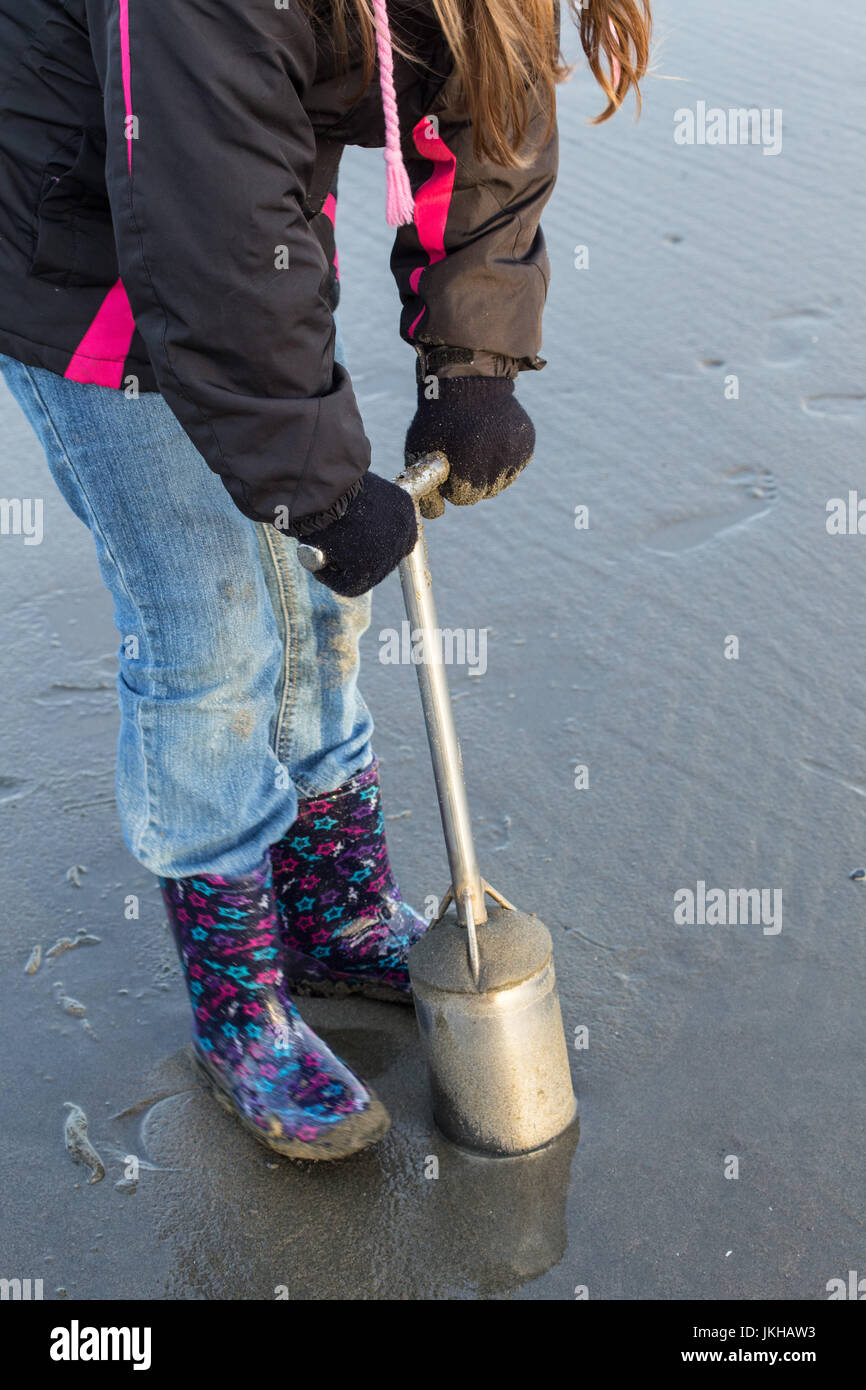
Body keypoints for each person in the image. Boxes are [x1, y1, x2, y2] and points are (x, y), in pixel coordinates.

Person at [0, 0, 651, 1159]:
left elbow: (485, 102)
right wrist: (321, 483)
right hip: (80, 254)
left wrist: (472, 359)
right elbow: (205, 239)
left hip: (234, 218)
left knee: (313, 599)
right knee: (207, 634)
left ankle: (335, 913)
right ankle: (240, 1004)